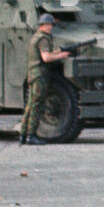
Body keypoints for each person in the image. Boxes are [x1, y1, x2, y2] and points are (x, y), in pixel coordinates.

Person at [21, 13, 72, 145]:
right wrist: (61, 56)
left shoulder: (36, 37)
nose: (50, 27)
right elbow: (46, 58)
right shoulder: (43, 39)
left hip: (33, 74)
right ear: (43, 25)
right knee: (36, 105)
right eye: (49, 25)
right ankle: (31, 135)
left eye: (51, 25)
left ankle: (23, 134)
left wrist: (59, 51)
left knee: (30, 105)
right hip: (40, 75)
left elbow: (45, 53)